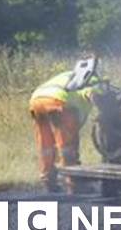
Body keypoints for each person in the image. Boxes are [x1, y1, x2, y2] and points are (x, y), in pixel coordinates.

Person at [29, 60, 102, 193]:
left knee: (46, 145)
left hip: (36, 100)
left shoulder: (69, 74)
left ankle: (48, 179)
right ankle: (73, 182)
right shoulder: (92, 79)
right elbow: (92, 94)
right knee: (67, 146)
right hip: (57, 102)